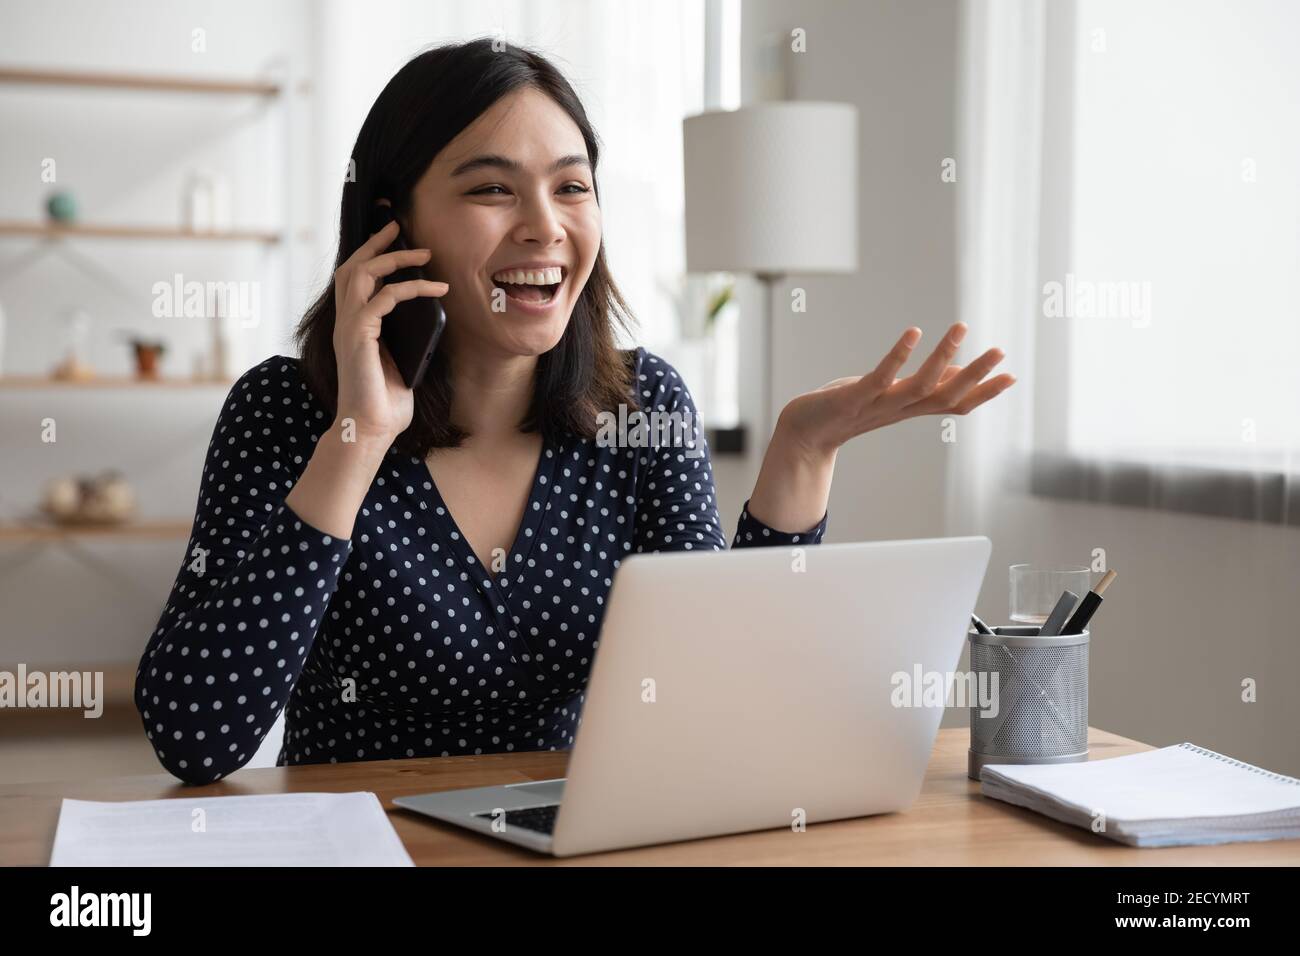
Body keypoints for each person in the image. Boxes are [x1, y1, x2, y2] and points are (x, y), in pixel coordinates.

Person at [134, 39, 1014, 785]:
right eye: (491, 190)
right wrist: (358, 437)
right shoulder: (283, 414)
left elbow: (722, 693)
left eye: (572, 186)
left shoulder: (644, 405)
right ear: (390, 225)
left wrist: (800, 455)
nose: (545, 226)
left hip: (577, 840)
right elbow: (195, 737)